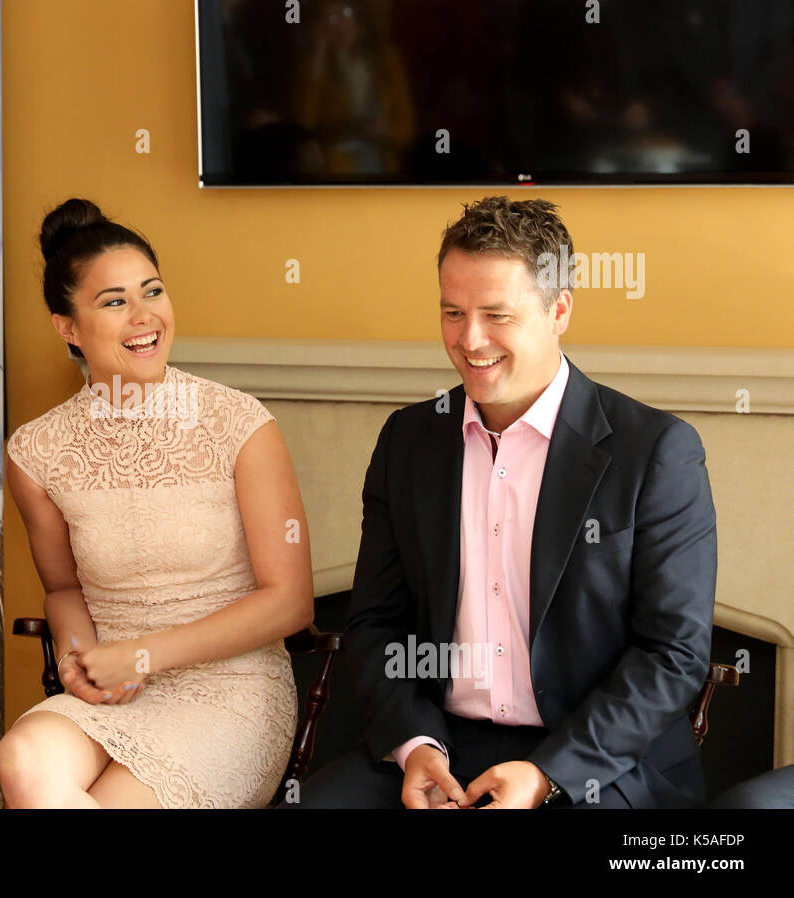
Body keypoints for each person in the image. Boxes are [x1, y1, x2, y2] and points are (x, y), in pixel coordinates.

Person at [293, 196, 716, 809]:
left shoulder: (657, 451)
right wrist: (415, 747)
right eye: (452, 312)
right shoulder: (407, 441)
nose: (470, 339)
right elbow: (376, 624)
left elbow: (672, 654)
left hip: (598, 763)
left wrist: (549, 774)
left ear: (559, 309)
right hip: (437, 749)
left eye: (497, 314)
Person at [0, 199, 314, 808]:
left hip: (232, 691)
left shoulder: (240, 423)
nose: (144, 317)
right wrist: (77, 661)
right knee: (22, 758)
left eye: (153, 292)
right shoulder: (36, 451)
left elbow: (292, 601)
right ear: (67, 327)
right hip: (113, 693)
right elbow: (64, 590)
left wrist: (142, 657)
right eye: (114, 301)